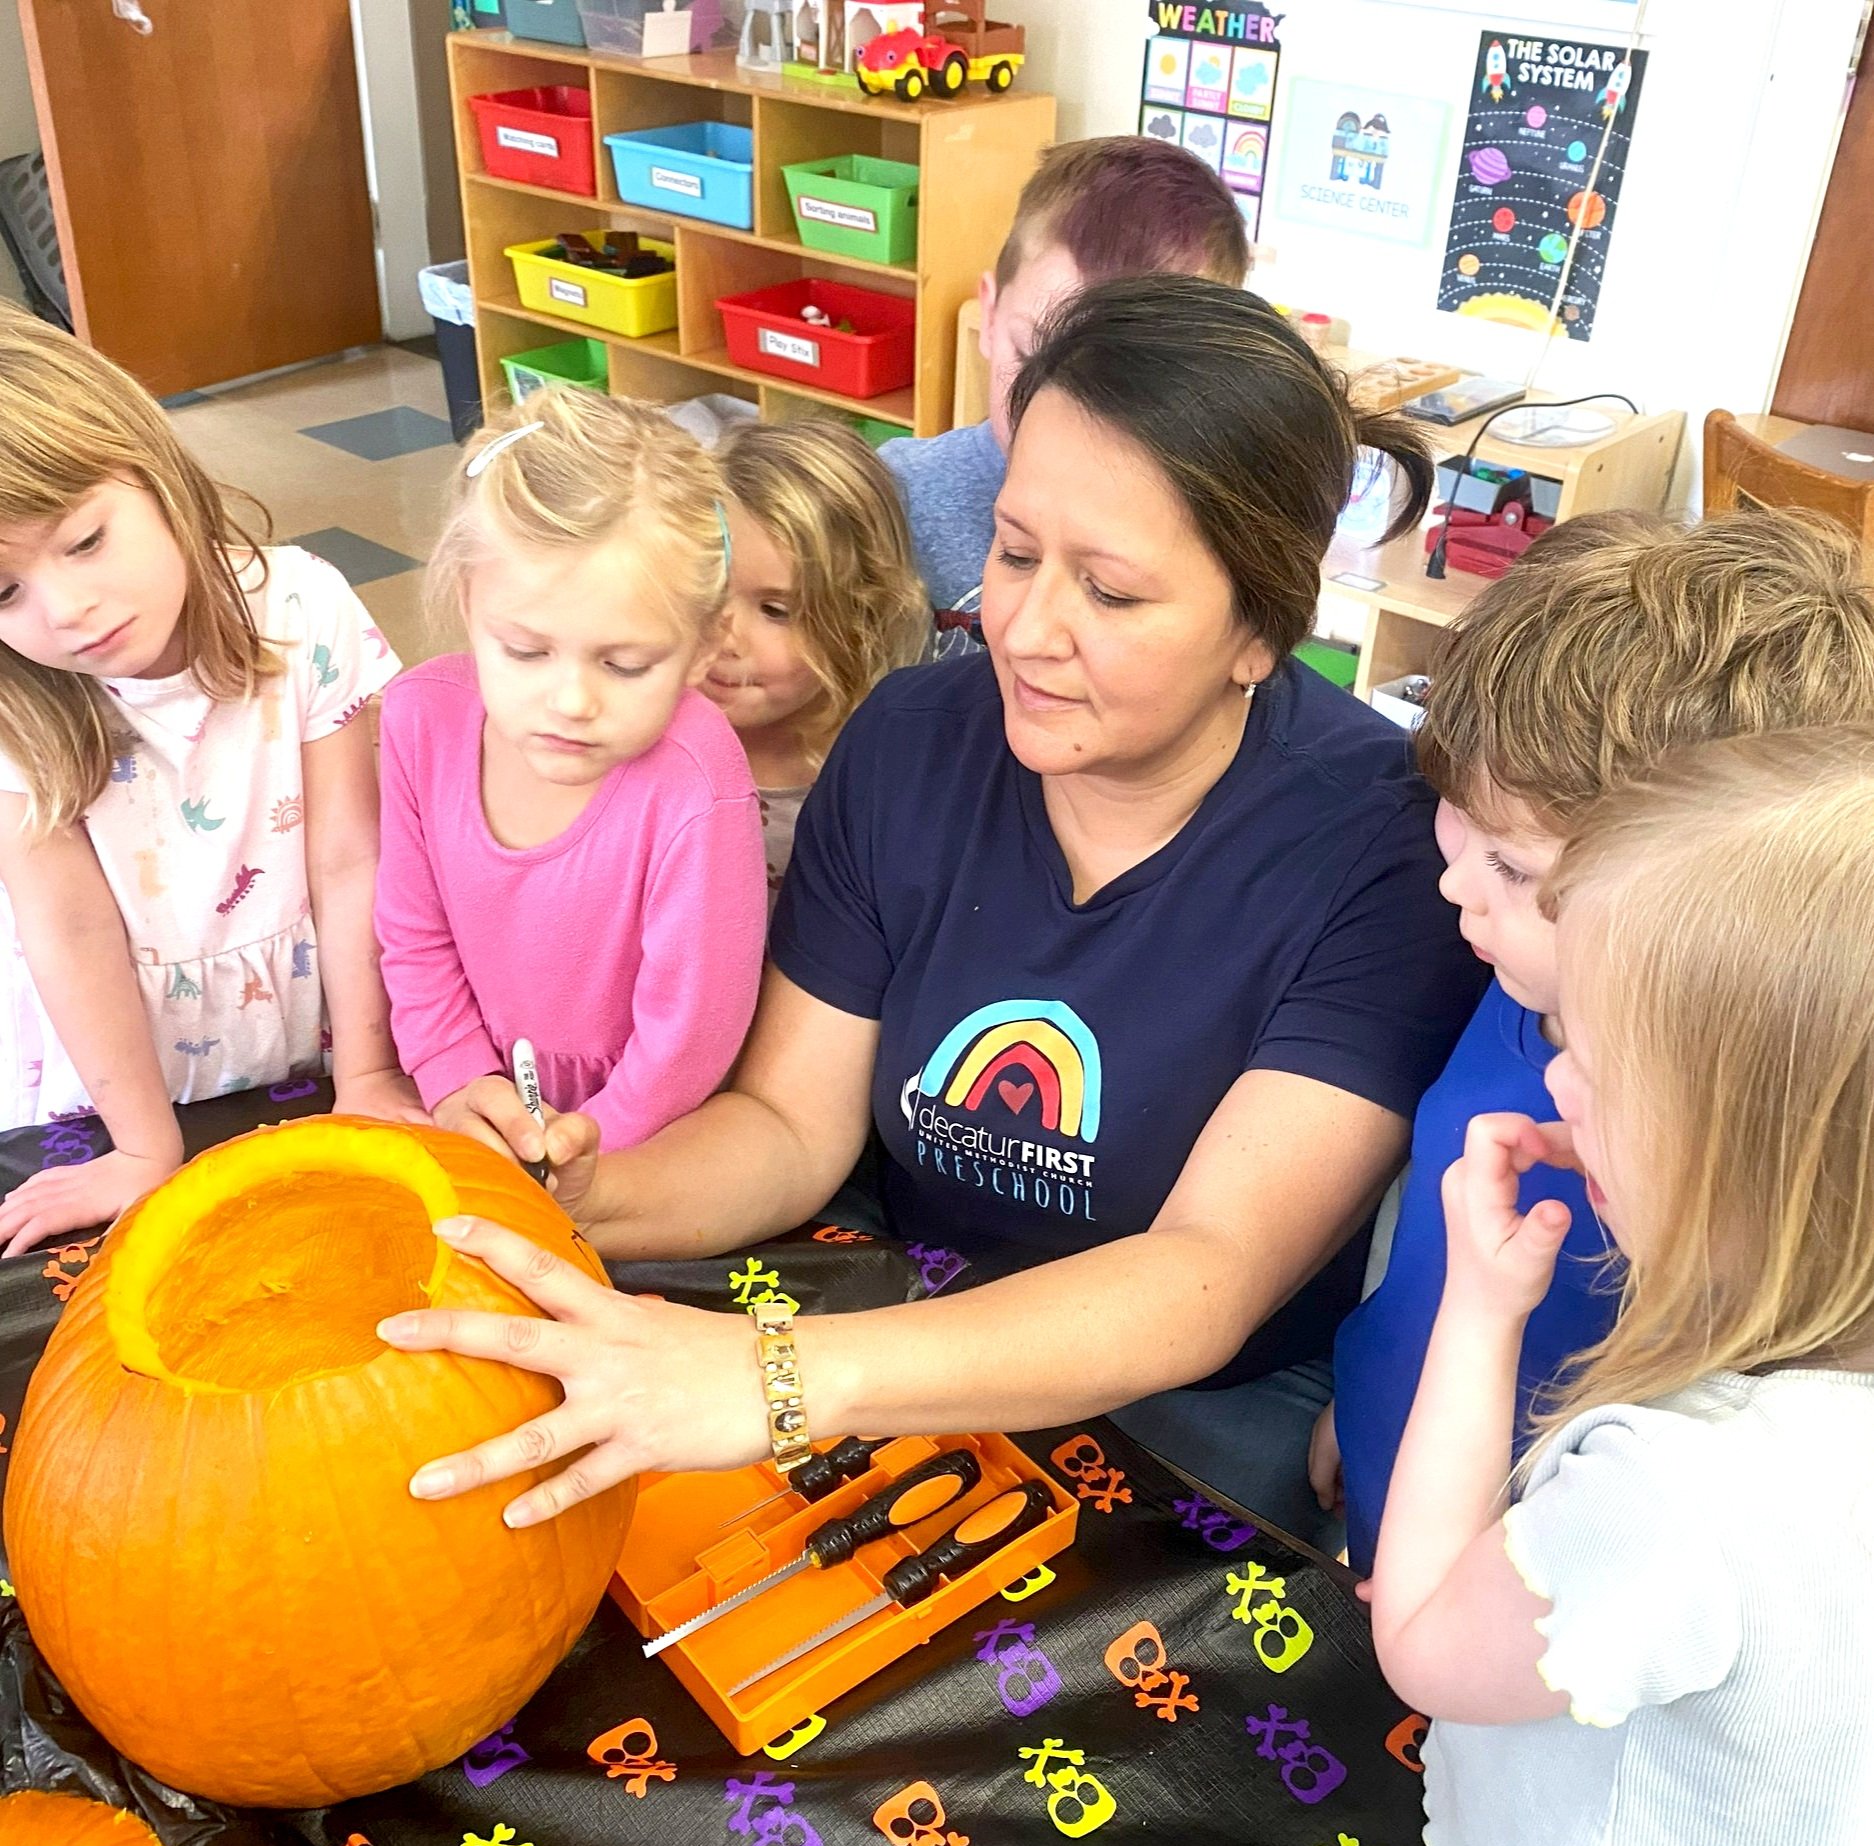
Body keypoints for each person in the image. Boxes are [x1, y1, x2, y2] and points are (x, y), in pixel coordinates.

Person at [376, 276, 1484, 1544]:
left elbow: (1203, 1273)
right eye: (1013, 553)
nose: (1023, 628)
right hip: (893, 1302)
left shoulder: (1378, 848)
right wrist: (554, 1198)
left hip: (1188, 1394)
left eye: (1109, 593)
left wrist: (773, 1375)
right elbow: (788, 1127)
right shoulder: (907, 740)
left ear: (1258, 633)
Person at [1318, 508, 1874, 1573]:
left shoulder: (1725, 1147)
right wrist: (1367, 1398)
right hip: (1392, 1492)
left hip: (1529, 1595)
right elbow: (1429, 1230)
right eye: (1454, 811)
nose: (1453, 882)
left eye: (1513, 867)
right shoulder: (1511, 972)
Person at [1371, 724, 1874, 1846]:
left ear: (1752, 1157)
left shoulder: (1678, 1498)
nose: (1554, 1078)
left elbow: (1420, 1638)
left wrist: (1478, 1305)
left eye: (1593, 1065)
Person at [0, 306, 418, 1254]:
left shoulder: (303, 604)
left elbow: (351, 860)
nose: (69, 610)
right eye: (3, 590)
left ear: (155, 473)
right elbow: (69, 928)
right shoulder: (13, 701)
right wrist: (142, 1150)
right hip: (117, 1065)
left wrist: (366, 1074)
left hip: (311, 1023)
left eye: (85, 541)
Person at [375, 388, 765, 1160]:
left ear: (704, 647)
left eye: (625, 665)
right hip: (476, 1103)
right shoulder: (419, 719)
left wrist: (576, 1155)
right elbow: (413, 934)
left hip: (647, 1141)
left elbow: (689, 1038)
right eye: (526, 652)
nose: (572, 702)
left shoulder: (695, 777)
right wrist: (453, 1077)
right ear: (469, 602)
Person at [879, 136, 1250, 622]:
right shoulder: (885, 499)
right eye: (1033, 357)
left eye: (1128, 381)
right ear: (989, 317)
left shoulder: (1218, 542)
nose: (1061, 413)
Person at [712, 419, 928, 910]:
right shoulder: (649, 730)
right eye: (707, 590)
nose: (724, 636)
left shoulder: (874, 777)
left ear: (862, 618)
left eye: (776, 611)